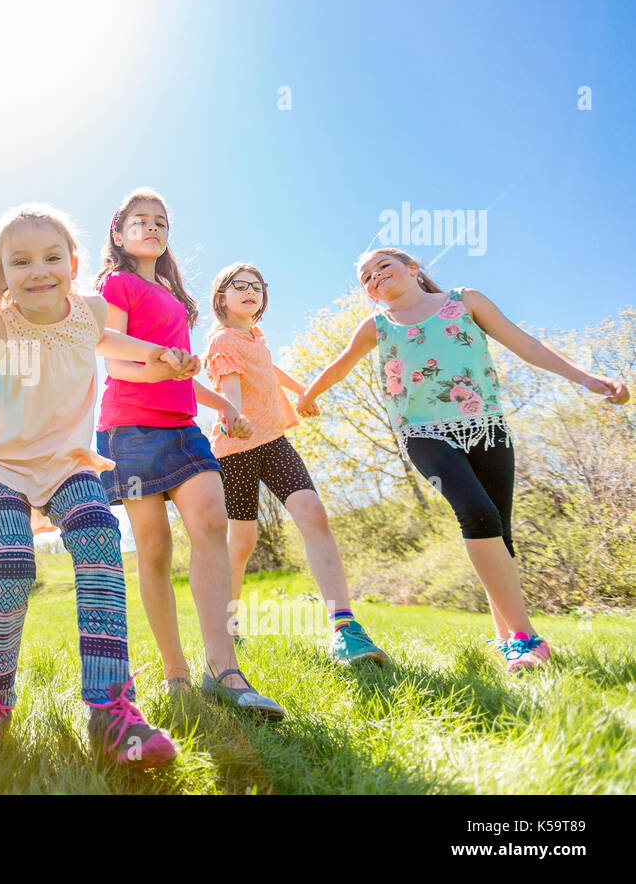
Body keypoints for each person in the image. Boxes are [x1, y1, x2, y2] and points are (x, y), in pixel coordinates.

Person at [299, 247, 629, 672]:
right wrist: (306, 397)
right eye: (365, 277)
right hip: (422, 433)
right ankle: (528, 639)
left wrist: (588, 378)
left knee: (498, 530)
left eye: (383, 266)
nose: (375, 276)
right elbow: (338, 367)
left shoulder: (464, 301)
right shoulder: (377, 326)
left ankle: (504, 638)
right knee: (475, 512)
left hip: (486, 426)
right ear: (368, 294)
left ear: (412, 268)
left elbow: (526, 344)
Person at [0, 203, 194, 767]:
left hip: (70, 464)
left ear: (74, 263)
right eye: (21, 261)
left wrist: (162, 356)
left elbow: (118, 347)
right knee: (11, 562)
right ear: (3, 272)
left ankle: (111, 707)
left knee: (100, 541)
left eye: (51, 257)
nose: (39, 270)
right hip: (0, 468)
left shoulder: (89, 313)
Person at [95, 188, 284, 719]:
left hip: (183, 428)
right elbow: (112, 354)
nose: (152, 228)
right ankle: (175, 671)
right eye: (140, 221)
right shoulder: (118, 283)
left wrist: (223, 402)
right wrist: (159, 365)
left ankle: (223, 670)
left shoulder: (176, 300)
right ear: (119, 232)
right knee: (153, 548)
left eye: (160, 222)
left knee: (211, 521)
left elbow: (183, 371)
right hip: (129, 429)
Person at [205, 262, 389, 667]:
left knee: (313, 512)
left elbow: (265, 368)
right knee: (243, 542)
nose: (250, 291)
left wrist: (302, 388)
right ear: (221, 298)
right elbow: (229, 385)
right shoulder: (221, 342)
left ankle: (345, 629)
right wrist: (232, 415)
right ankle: (228, 621)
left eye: (257, 286)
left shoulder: (254, 335)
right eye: (239, 286)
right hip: (236, 450)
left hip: (273, 441)